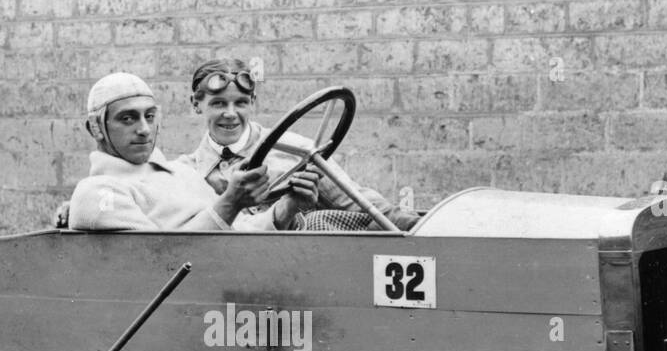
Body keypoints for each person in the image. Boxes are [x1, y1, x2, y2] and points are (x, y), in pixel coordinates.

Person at [177, 58, 422, 231]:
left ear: (253, 102)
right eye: (218, 104)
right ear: (196, 104)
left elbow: (360, 204)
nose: (230, 114)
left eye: (240, 103)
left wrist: (425, 224)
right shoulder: (186, 173)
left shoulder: (296, 152)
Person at [67, 72, 314, 232]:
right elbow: (163, 262)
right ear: (96, 128)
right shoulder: (99, 192)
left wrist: (287, 207)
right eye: (128, 118)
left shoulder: (183, 173)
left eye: (150, 116)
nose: (144, 129)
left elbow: (240, 231)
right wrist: (230, 202)